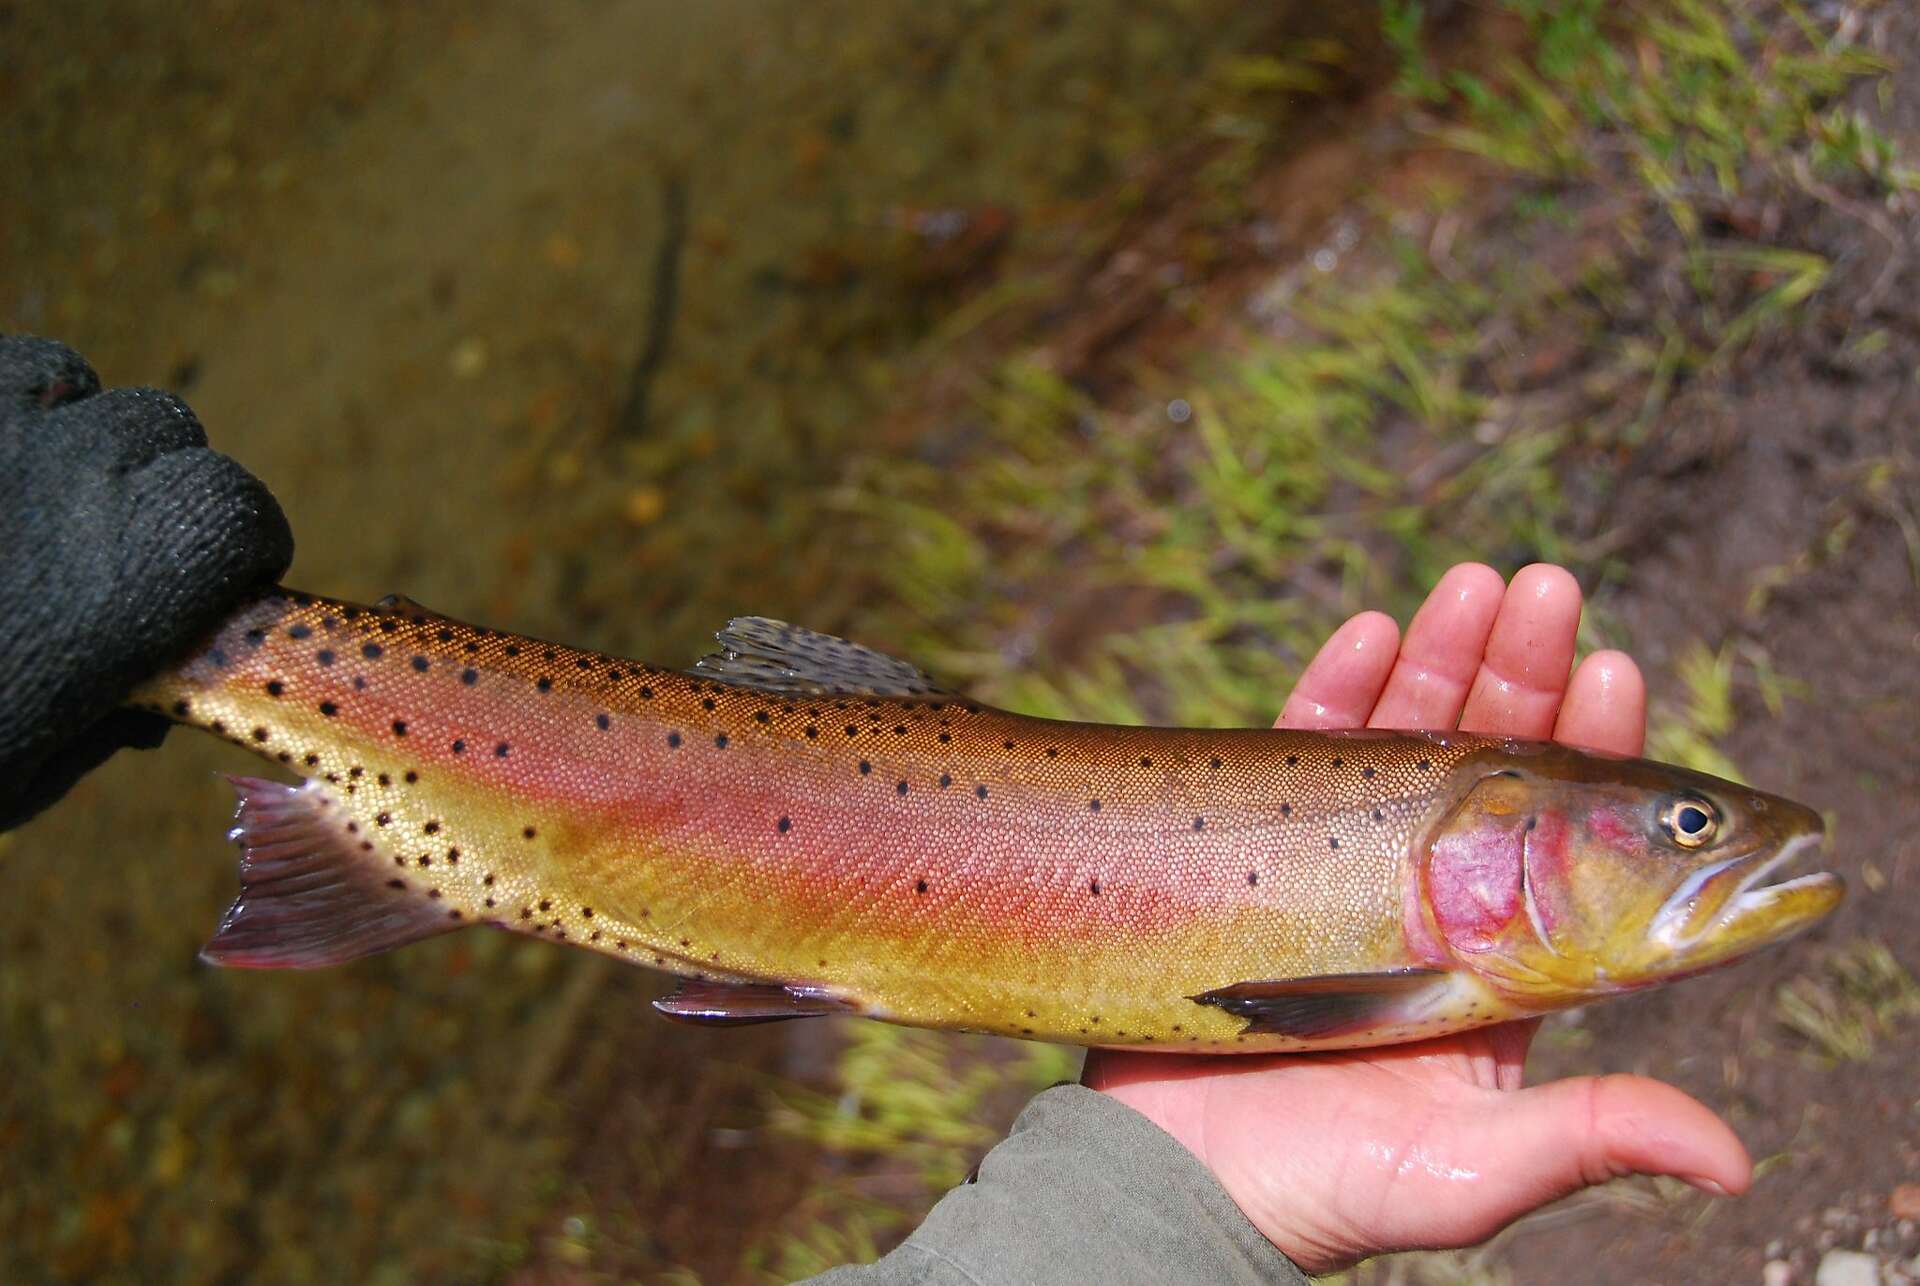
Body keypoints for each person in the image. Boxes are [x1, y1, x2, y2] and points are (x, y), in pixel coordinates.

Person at [1, 336, 1749, 1283]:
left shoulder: (1423, 960)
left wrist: (1169, 1210)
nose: (1708, 848)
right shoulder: (1413, 954)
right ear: (1504, 840)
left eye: (1688, 834)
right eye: (1688, 830)